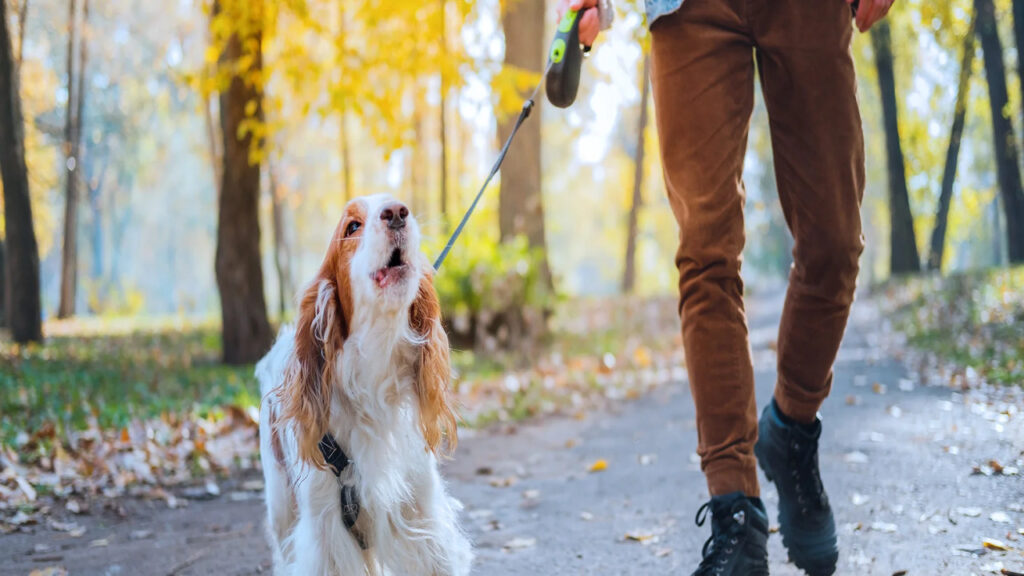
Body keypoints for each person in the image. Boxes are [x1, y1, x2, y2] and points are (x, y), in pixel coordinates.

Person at [556, 0, 894, 573]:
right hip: (689, 10)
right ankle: (735, 511)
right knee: (706, 254)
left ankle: (791, 427)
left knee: (834, 242)